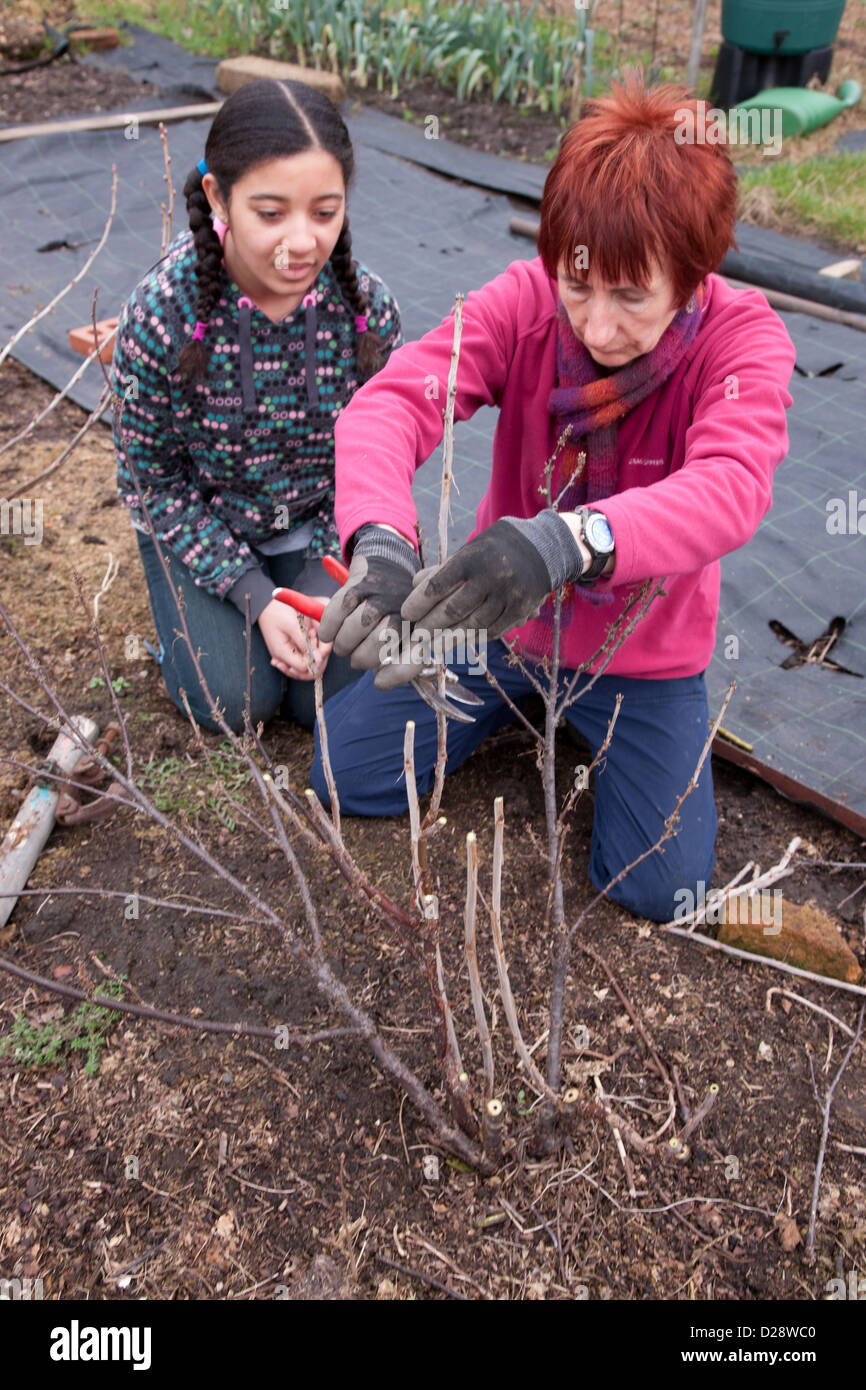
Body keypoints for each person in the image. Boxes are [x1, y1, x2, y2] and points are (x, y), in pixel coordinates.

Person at [310, 71, 797, 922]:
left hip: (641, 657)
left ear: (695, 271)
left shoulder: (741, 340)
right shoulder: (528, 302)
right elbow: (390, 406)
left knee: (660, 887)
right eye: (580, 285)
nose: (597, 327)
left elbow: (730, 487)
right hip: (496, 623)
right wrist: (380, 543)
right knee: (343, 775)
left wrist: (564, 542)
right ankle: (508, 703)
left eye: (631, 295)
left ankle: (576, 720)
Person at [112, 78, 402, 732]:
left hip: (317, 530)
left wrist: (325, 584)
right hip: (206, 527)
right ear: (218, 196)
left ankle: (293, 591)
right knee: (234, 702)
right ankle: (193, 620)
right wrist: (255, 593)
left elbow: (375, 463)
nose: (301, 242)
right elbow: (150, 481)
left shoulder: (365, 316)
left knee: (321, 696)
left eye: (324, 213)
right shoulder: (164, 316)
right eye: (271, 214)